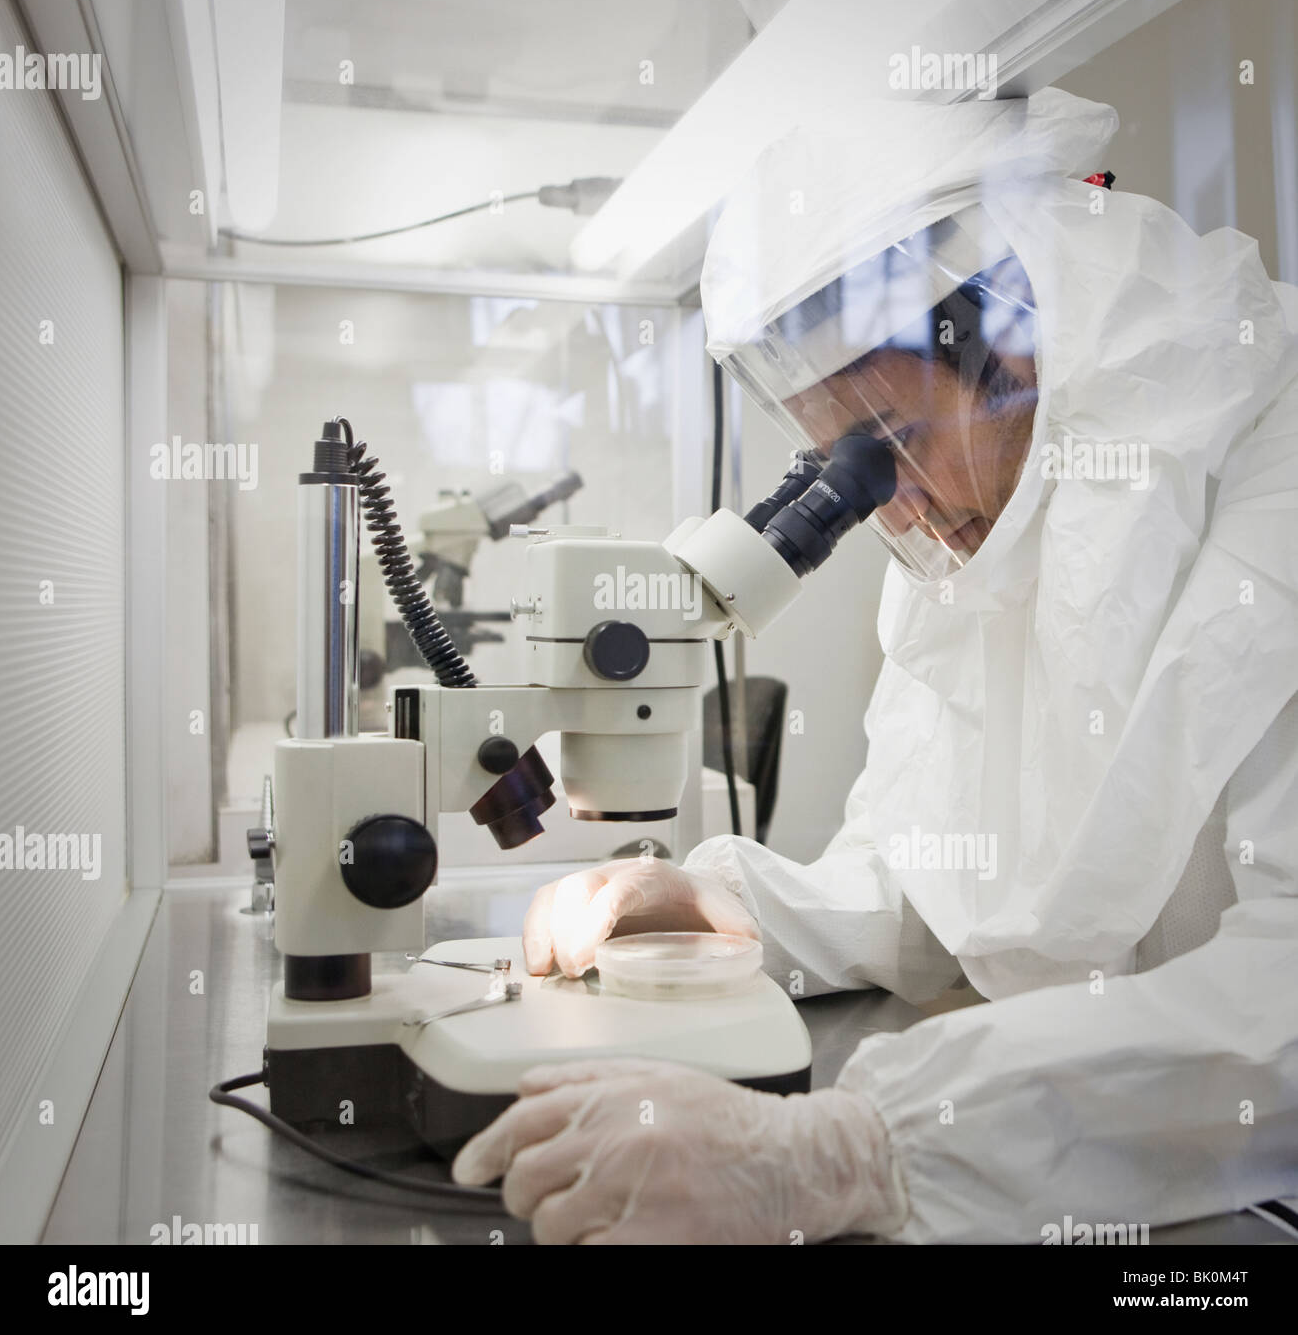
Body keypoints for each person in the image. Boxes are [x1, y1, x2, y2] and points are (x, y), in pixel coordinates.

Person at [452, 87, 1298, 1244]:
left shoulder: (1271, 476)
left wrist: (857, 1147)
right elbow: (941, 890)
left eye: (892, 441)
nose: (882, 500)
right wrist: (721, 903)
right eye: (843, 461)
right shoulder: (980, 556)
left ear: (1021, 348)